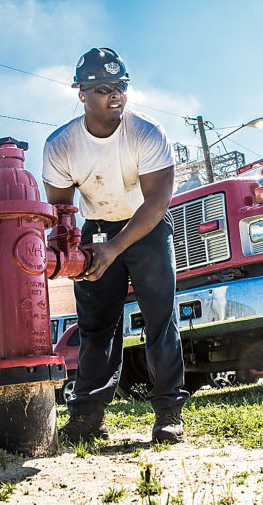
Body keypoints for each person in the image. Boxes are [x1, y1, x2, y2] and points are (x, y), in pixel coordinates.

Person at [42, 47, 188, 444]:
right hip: (96, 232)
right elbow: (60, 212)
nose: (116, 95)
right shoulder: (61, 145)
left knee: (160, 318)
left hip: (147, 225)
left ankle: (168, 414)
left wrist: (116, 248)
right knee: (96, 326)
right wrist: (74, 252)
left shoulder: (148, 133)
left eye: (121, 86)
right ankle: (88, 418)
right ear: (81, 94)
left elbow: (157, 202)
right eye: (104, 88)